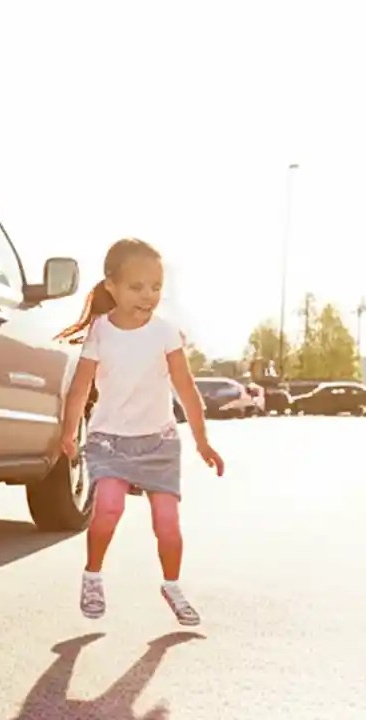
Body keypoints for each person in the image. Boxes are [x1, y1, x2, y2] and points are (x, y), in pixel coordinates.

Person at [57, 238, 225, 626]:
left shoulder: (165, 332)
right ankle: (93, 576)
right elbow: (81, 385)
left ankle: (172, 585)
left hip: (159, 442)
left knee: (167, 525)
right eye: (137, 287)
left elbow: (185, 387)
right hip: (109, 441)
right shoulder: (101, 330)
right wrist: (69, 432)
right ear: (111, 286)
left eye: (156, 287)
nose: (148, 296)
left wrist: (202, 440)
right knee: (109, 508)